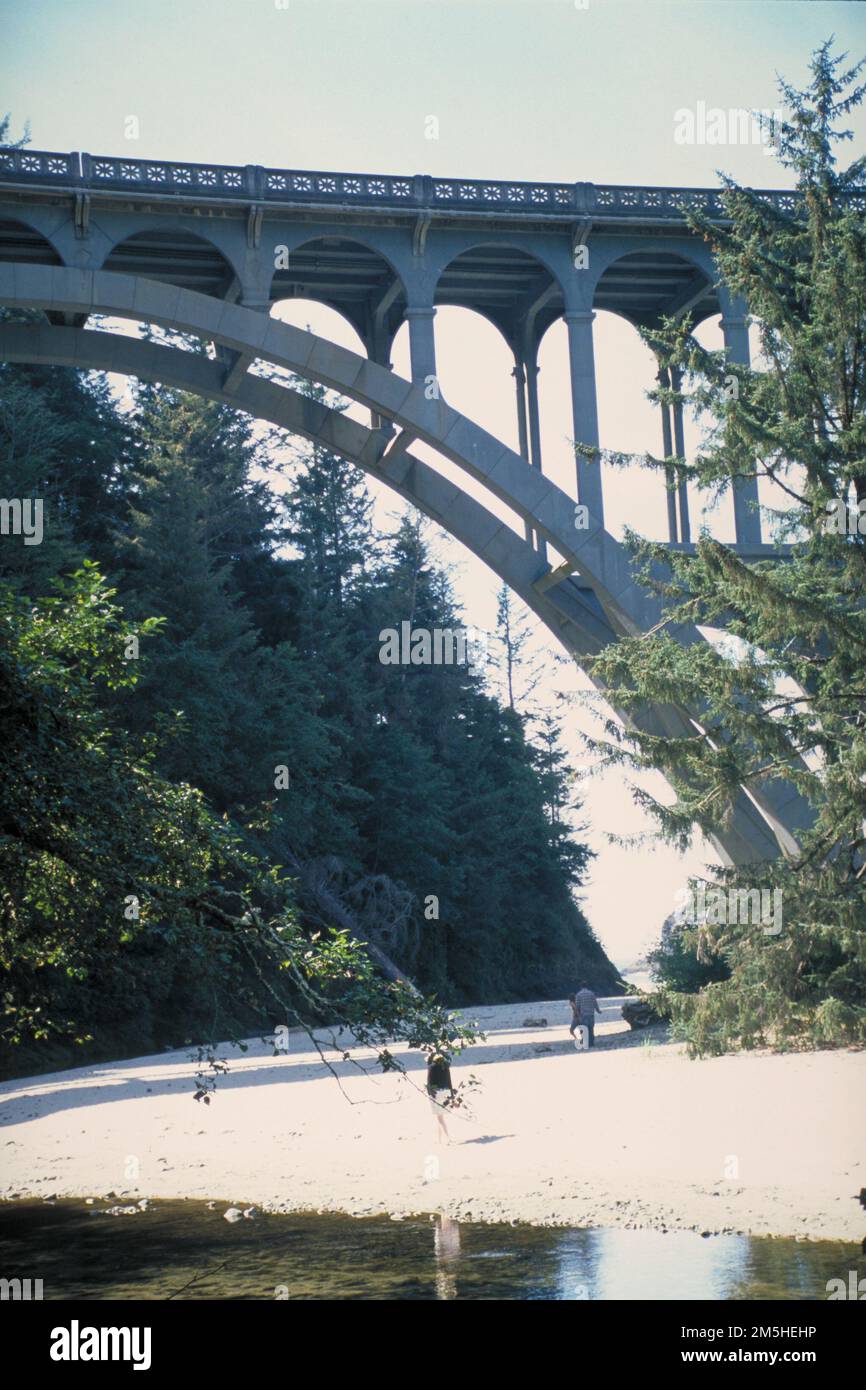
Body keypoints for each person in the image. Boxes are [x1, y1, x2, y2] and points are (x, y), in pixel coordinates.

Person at [426, 1051, 455, 1143]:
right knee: (440, 1117)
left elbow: (430, 1083)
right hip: (446, 1092)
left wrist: (430, 1095)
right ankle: (439, 1140)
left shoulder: (431, 1067)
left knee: (439, 1118)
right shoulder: (446, 1067)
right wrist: (452, 1096)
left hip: (436, 1093)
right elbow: (450, 1082)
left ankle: (448, 1138)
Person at [574, 981, 602, 1049]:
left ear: (581, 986)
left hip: (583, 1014)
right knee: (591, 1028)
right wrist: (598, 1011)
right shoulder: (591, 993)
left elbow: (577, 1006)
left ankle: (586, 1043)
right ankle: (591, 1043)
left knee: (584, 1029)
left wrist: (576, 1014)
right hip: (591, 1014)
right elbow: (595, 1003)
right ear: (587, 986)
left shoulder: (578, 994)